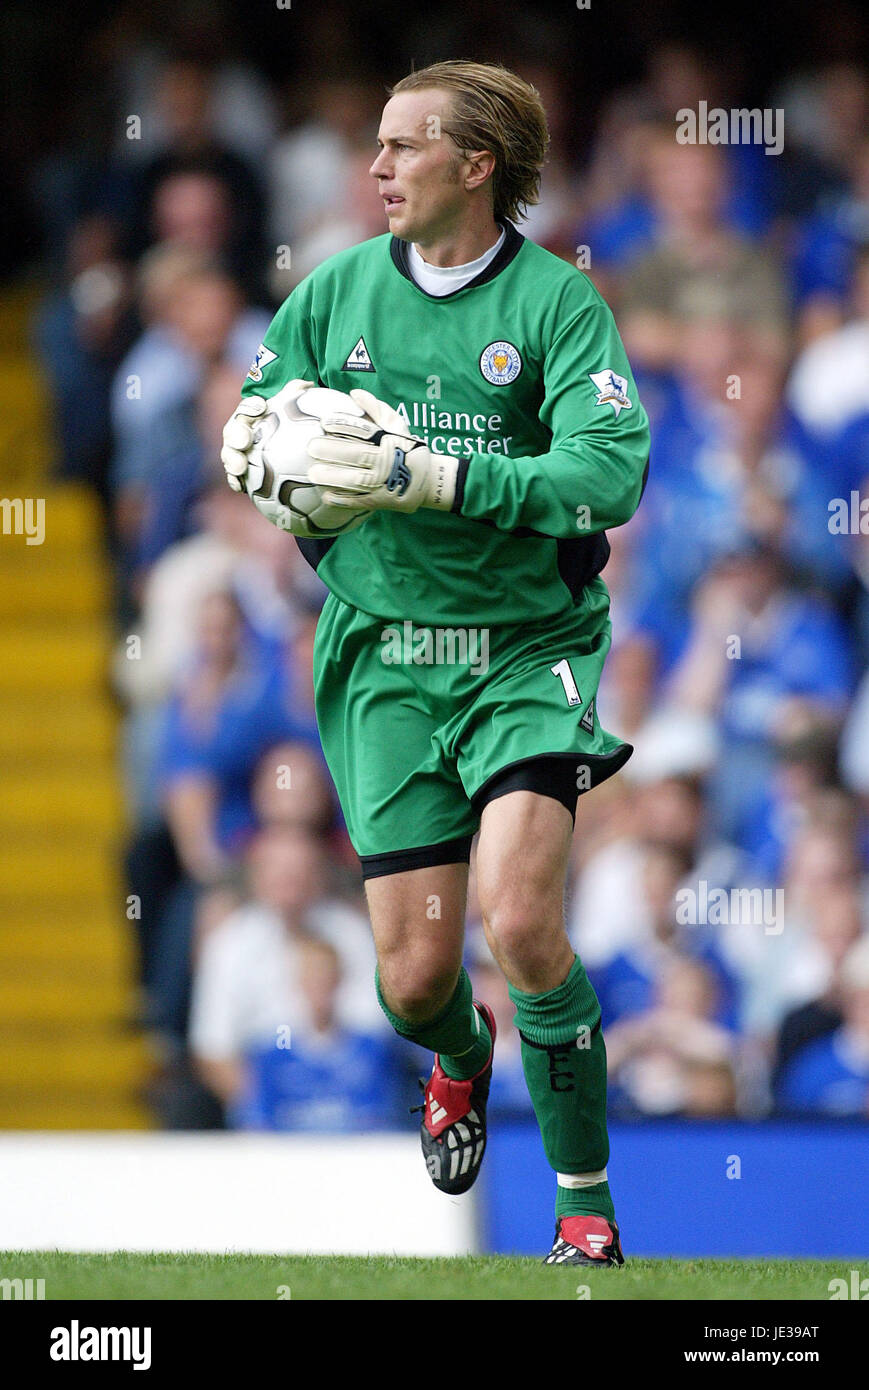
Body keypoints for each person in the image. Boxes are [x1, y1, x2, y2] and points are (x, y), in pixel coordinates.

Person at [221, 61, 650, 1267]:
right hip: (387, 663)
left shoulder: (559, 307)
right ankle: (461, 1060)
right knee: (412, 983)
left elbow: (605, 477)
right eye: (375, 143)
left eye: (404, 147)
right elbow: (266, 435)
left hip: (524, 652)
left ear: (477, 167)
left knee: (520, 923)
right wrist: (271, 467)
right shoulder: (335, 291)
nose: (375, 167)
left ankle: (585, 1207)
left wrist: (439, 475)